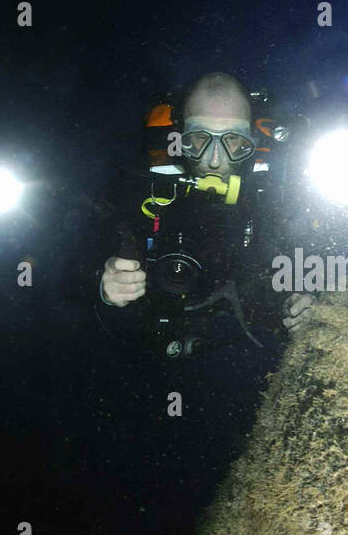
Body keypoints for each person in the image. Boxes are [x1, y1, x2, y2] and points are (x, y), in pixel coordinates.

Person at [95, 72, 318, 351]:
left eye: (234, 142)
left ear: (252, 141)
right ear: (179, 136)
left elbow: (311, 261)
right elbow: (71, 271)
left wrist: (300, 304)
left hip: (249, 350)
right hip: (153, 346)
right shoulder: (140, 185)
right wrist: (104, 285)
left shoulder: (277, 193)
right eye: (199, 139)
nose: (214, 160)